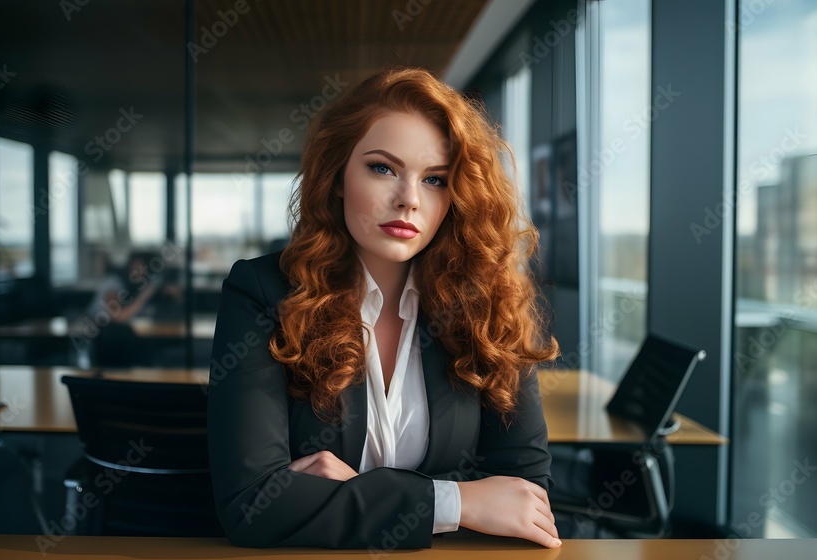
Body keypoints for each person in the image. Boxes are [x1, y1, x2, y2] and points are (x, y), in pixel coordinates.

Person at [208, 67, 561, 550]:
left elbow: (525, 501)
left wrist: (349, 494)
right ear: (336, 177)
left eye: (435, 179)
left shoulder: (488, 300)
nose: (409, 200)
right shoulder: (265, 292)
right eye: (382, 168)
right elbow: (253, 504)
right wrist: (457, 502)